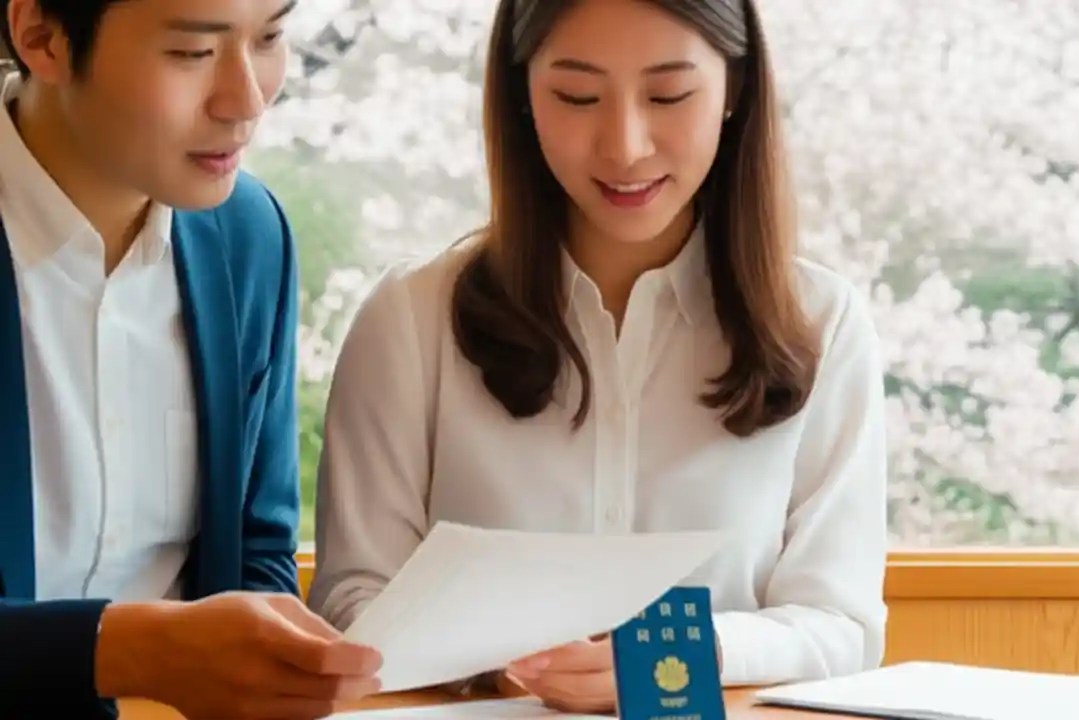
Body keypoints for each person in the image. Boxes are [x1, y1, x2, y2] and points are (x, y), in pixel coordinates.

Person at [309, 0, 888, 713]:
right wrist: (497, 661)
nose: (625, 147)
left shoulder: (820, 322)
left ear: (736, 89)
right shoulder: (412, 318)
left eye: (669, 95)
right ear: (522, 94)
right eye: (576, 96)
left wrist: (679, 652)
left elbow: (840, 626)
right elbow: (353, 600)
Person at [0, 0, 381, 717]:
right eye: (191, 53)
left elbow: (256, 554)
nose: (248, 99)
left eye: (270, 36)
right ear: (42, 37)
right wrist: (120, 650)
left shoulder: (248, 234)